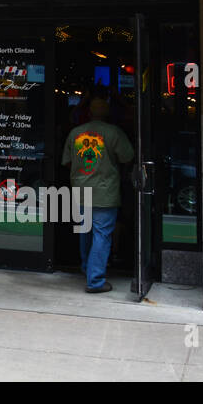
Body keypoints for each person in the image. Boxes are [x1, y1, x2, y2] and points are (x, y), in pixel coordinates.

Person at [62, 96, 135, 293]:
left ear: (90, 112)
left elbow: (67, 161)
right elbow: (128, 156)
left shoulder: (75, 133)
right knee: (102, 235)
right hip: (105, 192)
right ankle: (95, 280)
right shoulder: (114, 133)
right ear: (107, 112)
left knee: (84, 233)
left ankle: (87, 268)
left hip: (80, 191)